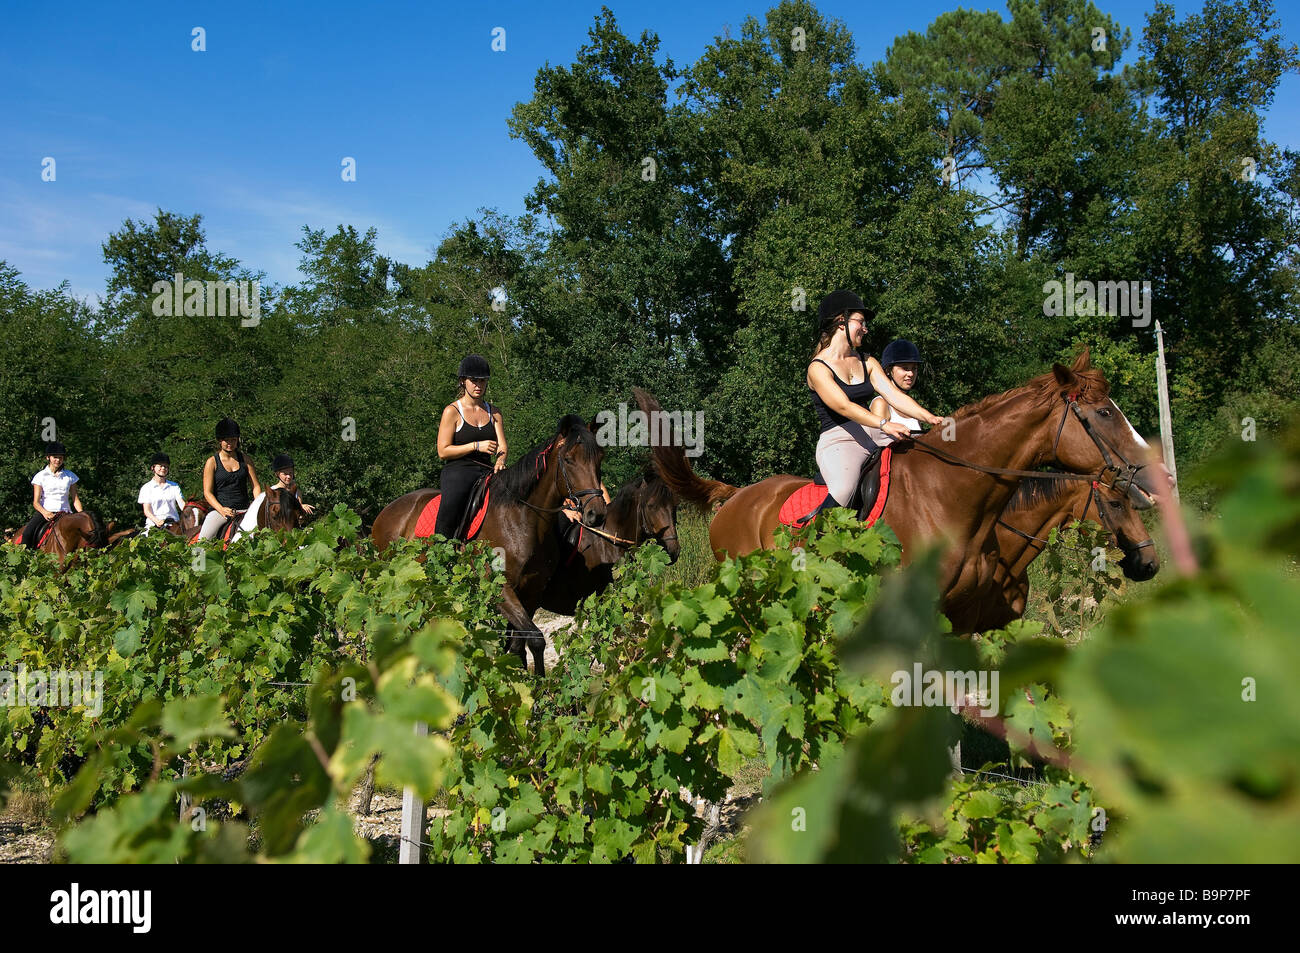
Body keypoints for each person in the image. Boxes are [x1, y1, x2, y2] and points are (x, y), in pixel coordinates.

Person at [806, 291, 942, 516]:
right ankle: (814, 542)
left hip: (870, 432)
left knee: (923, 454)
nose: (865, 328)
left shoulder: (867, 361)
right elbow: (843, 406)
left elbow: (893, 395)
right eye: (860, 321)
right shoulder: (818, 368)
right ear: (842, 322)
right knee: (844, 487)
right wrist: (883, 424)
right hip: (838, 439)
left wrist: (930, 418)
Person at [435, 355, 508, 539]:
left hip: (487, 470)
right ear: (463, 382)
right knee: (452, 501)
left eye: (482, 381)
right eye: (473, 380)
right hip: (458, 470)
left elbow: (502, 446)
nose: (478, 385)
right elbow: (443, 451)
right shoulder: (452, 411)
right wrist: (476, 446)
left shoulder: (495, 412)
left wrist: (500, 460)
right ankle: (441, 548)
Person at [198, 418, 261, 540]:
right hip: (221, 511)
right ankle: (197, 558)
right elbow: (207, 492)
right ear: (219, 441)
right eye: (226, 440)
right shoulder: (212, 462)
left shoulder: (246, 460)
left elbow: (256, 486)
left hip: (245, 510)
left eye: (233, 440)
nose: (230, 443)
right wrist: (221, 509)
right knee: (203, 540)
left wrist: (257, 504)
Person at [19, 441, 83, 547]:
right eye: (55, 457)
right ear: (48, 457)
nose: (58, 460)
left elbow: (75, 499)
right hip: (46, 513)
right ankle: (26, 559)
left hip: (66, 513)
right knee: (27, 534)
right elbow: (36, 502)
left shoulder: (70, 476)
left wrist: (82, 514)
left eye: (60, 457)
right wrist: (45, 513)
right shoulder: (40, 476)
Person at [865, 339, 925, 446]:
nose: (911, 373)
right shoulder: (881, 403)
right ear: (888, 370)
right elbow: (877, 445)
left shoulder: (913, 407)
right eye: (905, 368)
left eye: (914, 368)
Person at [138, 452, 185, 532]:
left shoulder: (174, 486)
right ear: (153, 467)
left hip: (174, 524)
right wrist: (157, 521)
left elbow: (182, 504)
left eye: (166, 466)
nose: (163, 468)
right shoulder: (146, 488)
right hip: (154, 525)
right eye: (160, 466)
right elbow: (147, 510)